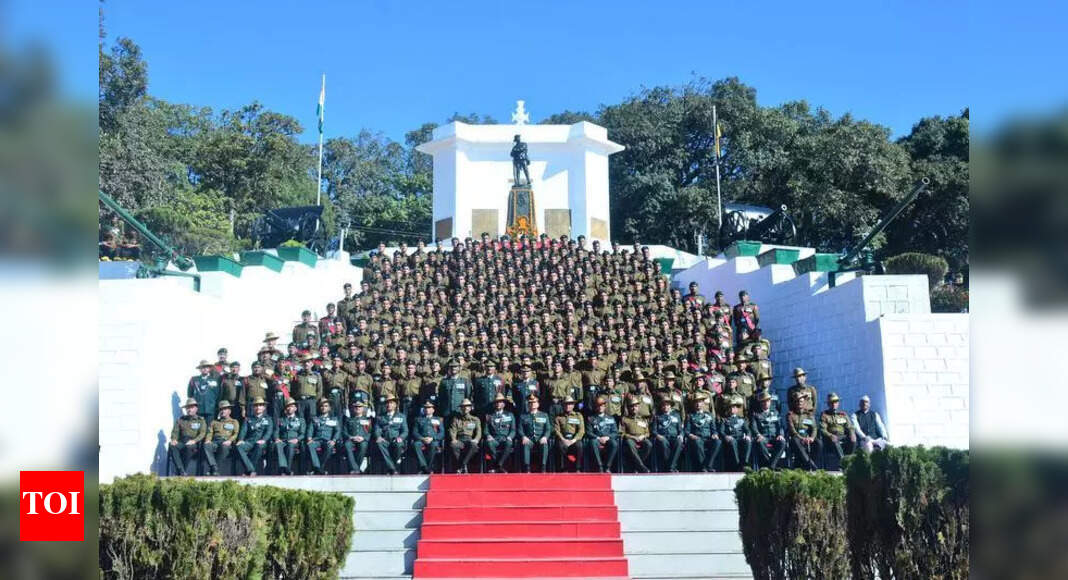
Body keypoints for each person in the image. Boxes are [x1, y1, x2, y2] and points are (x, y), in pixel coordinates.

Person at [168, 398, 207, 476]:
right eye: (188, 408)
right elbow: (175, 431)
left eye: (191, 407)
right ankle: (180, 469)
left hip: (194, 442)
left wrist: (194, 440)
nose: (189, 409)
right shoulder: (181, 420)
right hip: (182, 441)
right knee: (172, 445)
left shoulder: (201, 420)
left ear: (196, 408)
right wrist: (174, 439)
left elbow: (202, 433)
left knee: (189, 447)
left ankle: (182, 471)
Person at [236, 397, 273, 476]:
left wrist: (264, 440)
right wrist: (240, 439)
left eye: (260, 405)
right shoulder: (248, 419)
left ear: (264, 407)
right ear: (253, 407)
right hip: (250, 441)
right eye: (256, 405)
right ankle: (251, 469)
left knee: (259, 446)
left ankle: (248, 470)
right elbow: (243, 431)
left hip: (262, 442)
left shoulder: (268, 419)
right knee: (239, 447)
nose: (258, 407)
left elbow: (269, 432)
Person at [750, 391, 787, 469]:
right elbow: (753, 427)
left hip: (775, 437)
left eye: (768, 401)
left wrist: (781, 434)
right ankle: (771, 465)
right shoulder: (756, 414)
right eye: (763, 401)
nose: (766, 403)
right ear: (760, 403)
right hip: (764, 437)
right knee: (760, 442)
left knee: (782, 443)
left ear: (770, 402)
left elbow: (780, 426)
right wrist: (758, 435)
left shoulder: (776, 413)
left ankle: (771, 465)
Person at [203, 401, 239, 476]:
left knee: (224, 447)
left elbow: (235, 434)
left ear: (229, 411)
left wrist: (230, 440)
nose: (223, 411)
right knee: (206, 446)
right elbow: (210, 433)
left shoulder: (234, 422)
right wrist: (208, 440)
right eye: (221, 409)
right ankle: (214, 467)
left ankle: (213, 470)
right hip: (215, 442)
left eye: (225, 409)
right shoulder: (214, 422)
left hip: (226, 442)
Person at [686, 396, 721, 472]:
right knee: (698, 442)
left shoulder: (709, 415)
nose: (698, 405)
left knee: (718, 442)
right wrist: (691, 435)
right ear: (694, 404)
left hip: (708, 438)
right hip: (697, 438)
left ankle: (709, 464)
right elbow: (687, 431)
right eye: (696, 403)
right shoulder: (690, 416)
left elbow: (714, 429)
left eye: (700, 402)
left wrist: (715, 434)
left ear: (704, 404)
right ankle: (704, 466)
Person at [306, 398, 341, 475]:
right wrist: (309, 438)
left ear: (329, 408)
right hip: (317, 440)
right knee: (310, 445)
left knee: (330, 446)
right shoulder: (315, 418)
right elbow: (310, 429)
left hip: (327, 440)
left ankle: (318, 468)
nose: (323, 407)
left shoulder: (333, 419)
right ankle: (318, 467)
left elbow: (337, 431)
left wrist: (334, 440)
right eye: (322, 406)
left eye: (326, 406)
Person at [374, 395, 408, 475]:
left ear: (395, 405)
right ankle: (393, 468)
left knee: (399, 445)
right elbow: (377, 429)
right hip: (385, 440)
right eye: (387, 403)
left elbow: (405, 431)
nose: (389, 405)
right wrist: (378, 436)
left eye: (391, 403)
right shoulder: (380, 417)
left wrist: (401, 437)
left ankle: (391, 467)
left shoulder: (401, 416)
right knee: (379, 443)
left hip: (396, 439)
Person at [819, 393, 856, 465]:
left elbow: (850, 426)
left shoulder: (843, 414)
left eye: (836, 402)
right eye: (831, 402)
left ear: (838, 403)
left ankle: (849, 460)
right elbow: (822, 429)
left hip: (843, 436)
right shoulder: (824, 415)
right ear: (828, 404)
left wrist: (852, 433)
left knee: (853, 439)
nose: (834, 404)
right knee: (835, 440)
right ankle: (844, 463)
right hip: (831, 438)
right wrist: (830, 435)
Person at [484, 393, 516, 473]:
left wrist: (510, 437)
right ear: (494, 404)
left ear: (504, 404)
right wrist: (488, 435)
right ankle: (500, 466)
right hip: (494, 439)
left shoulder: (510, 415)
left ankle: (497, 465)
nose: (498, 404)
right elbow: (485, 430)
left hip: (505, 438)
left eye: (500, 402)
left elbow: (513, 430)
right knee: (489, 443)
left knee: (509, 443)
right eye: (496, 402)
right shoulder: (489, 416)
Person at [586, 397, 620, 473]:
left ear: (605, 406)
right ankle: (599, 466)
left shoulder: (611, 418)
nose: (600, 407)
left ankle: (608, 467)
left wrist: (608, 437)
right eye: (598, 405)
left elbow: (615, 432)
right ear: (595, 407)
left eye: (602, 405)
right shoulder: (591, 418)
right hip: (597, 439)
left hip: (608, 439)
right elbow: (589, 432)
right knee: (593, 442)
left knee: (614, 443)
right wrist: (598, 438)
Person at [787, 397, 821, 471]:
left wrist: (812, 437)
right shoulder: (791, 415)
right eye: (797, 401)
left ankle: (811, 463)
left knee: (819, 443)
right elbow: (792, 430)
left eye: (801, 401)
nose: (799, 403)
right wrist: (801, 438)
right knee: (795, 440)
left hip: (807, 438)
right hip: (796, 438)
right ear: (795, 403)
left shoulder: (809, 415)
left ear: (805, 403)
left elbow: (814, 428)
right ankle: (810, 465)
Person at [519, 394, 551, 473]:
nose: (532, 404)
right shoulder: (523, 416)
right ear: (528, 404)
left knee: (544, 444)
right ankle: (527, 468)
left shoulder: (544, 415)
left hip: (540, 439)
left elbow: (548, 429)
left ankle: (543, 467)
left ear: (538, 404)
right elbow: (519, 429)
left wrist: (545, 437)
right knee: (525, 444)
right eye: (530, 402)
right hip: (529, 439)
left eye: (534, 402)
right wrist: (523, 437)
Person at [274, 398, 306, 475]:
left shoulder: (301, 420)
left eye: (291, 406)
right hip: (283, 440)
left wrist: (297, 439)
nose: (289, 408)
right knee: (278, 444)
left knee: (291, 445)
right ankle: (285, 468)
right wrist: (277, 438)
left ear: (295, 408)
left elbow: (302, 434)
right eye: (287, 406)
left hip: (294, 441)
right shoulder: (280, 420)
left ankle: (286, 469)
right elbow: (276, 431)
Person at [448, 399, 481, 474]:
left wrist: (476, 439)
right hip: (460, 439)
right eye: (463, 406)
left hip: (470, 439)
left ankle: (462, 465)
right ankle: (464, 466)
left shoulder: (475, 419)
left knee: (474, 446)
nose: (465, 408)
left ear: (470, 408)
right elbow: (452, 430)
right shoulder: (456, 419)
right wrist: (453, 439)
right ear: (461, 408)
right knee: (453, 445)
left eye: (467, 406)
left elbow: (479, 432)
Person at [411, 401, 444, 474]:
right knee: (416, 445)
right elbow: (414, 432)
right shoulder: (418, 419)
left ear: (433, 410)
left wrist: (433, 438)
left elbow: (442, 433)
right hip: (422, 440)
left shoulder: (438, 419)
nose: (427, 409)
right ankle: (425, 467)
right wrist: (422, 438)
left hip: (433, 440)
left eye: (429, 408)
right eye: (425, 408)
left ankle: (426, 468)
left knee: (434, 445)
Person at [553, 396, 585, 472]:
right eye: (566, 404)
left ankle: (577, 468)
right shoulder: (558, 417)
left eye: (570, 404)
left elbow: (581, 430)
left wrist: (573, 440)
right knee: (560, 446)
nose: (568, 406)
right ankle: (564, 469)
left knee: (579, 445)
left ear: (573, 405)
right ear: (563, 405)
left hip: (574, 438)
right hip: (563, 438)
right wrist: (563, 440)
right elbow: (557, 430)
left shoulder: (578, 416)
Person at [621, 398, 652, 473]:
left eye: (635, 406)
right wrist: (633, 437)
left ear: (638, 407)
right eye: (631, 406)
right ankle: (641, 467)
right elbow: (622, 433)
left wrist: (643, 436)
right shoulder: (624, 419)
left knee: (649, 444)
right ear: (628, 408)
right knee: (629, 443)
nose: (634, 408)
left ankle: (635, 466)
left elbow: (648, 433)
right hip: (631, 438)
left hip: (642, 438)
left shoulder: (643, 419)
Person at [654, 398, 685, 472]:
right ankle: (672, 467)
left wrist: (681, 435)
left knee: (679, 442)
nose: (665, 407)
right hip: (663, 437)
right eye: (663, 405)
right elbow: (653, 430)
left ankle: (670, 467)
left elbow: (680, 429)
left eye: (667, 405)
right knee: (663, 443)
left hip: (674, 437)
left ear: (670, 406)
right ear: (661, 407)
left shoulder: (676, 415)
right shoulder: (658, 416)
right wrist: (658, 435)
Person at [720, 401, 752, 471]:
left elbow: (747, 430)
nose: (732, 409)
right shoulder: (724, 420)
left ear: (737, 410)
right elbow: (721, 431)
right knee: (733, 442)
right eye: (730, 408)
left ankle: (745, 463)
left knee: (748, 442)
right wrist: (726, 436)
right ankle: (737, 464)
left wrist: (748, 436)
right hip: (731, 439)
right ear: (728, 409)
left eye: (734, 407)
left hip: (740, 438)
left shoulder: (742, 419)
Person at [343, 401, 373, 474]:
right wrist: (351, 437)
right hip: (351, 439)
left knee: (363, 445)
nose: (358, 408)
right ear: (353, 409)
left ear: (363, 408)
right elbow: (344, 432)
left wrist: (364, 438)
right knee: (347, 445)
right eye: (356, 407)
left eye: (360, 407)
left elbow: (370, 432)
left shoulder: (367, 420)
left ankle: (354, 469)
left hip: (362, 440)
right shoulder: (349, 420)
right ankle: (356, 468)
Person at [187, 360, 221, 426]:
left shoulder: (214, 380)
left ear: (209, 369)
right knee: (198, 428)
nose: (205, 369)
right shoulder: (194, 379)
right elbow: (190, 394)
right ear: (200, 369)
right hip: (198, 409)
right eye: (203, 367)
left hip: (211, 409)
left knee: (209, 428)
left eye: (207, 367)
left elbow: (218, 395)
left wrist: (215, 407)